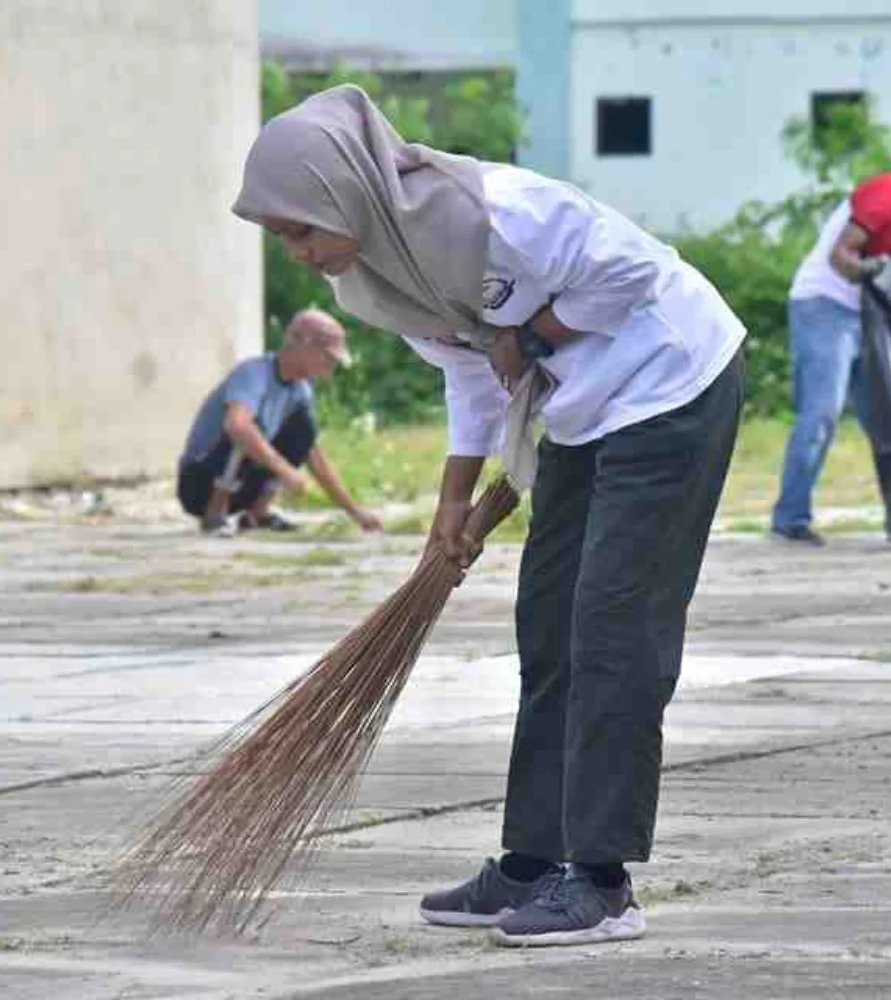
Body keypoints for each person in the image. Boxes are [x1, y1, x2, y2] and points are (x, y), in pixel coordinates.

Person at [231, 84, 745, 948]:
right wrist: (451, 502)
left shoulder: (501, 212)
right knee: (548, 627)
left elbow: (633, 274)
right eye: (284, 237)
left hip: (670, 387)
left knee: (614, 627)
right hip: (583, 414)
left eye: (300, 229)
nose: (298, 253)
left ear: (346, 190)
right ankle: (535, 858)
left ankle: (602, 880)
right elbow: (470, 370)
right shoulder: (375, 277)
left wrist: (533, 332)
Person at [771, 140, 891, 546]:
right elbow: (842, 257)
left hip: (875, 320)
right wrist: (876, 270)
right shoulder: (887, 193)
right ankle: (790, 520)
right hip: (827, 305)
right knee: (822, 412)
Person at [177, 308, 383, 536]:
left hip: (240, 485)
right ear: (302, 343)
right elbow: (236, 425)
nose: (329, 368)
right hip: (197, 485)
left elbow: (313, 455)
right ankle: (215, 515)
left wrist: (355, 512)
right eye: (327, 358)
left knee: (302, 431)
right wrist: (284, 470)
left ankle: (258, 513)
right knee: (244, 431)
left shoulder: (301, 391)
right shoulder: (253, 373)